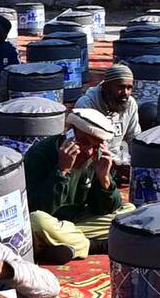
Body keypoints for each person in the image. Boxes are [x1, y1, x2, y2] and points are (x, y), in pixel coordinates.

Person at [25, 108, 135, 264]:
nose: (89, 151)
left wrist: (104, 178)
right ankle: (95, 246)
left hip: (77, 223)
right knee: (36, 221)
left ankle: (63, 245)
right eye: (83, 142)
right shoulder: (39, 154)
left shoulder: (94, 157)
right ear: (69, 133)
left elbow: (106, 209)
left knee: (130, 212)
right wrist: (62, 171)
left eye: (95, 145)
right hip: (49, 223)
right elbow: (40, 208)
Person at [74, 62, 140, 176]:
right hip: (91, 163)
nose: (125, 93)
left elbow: (133, 137)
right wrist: (116, 165)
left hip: (119, 159)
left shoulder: (130, 103)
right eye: (121, 87)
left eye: (129, 88)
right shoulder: (86, 106)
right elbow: (87, 149)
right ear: (105, 87)